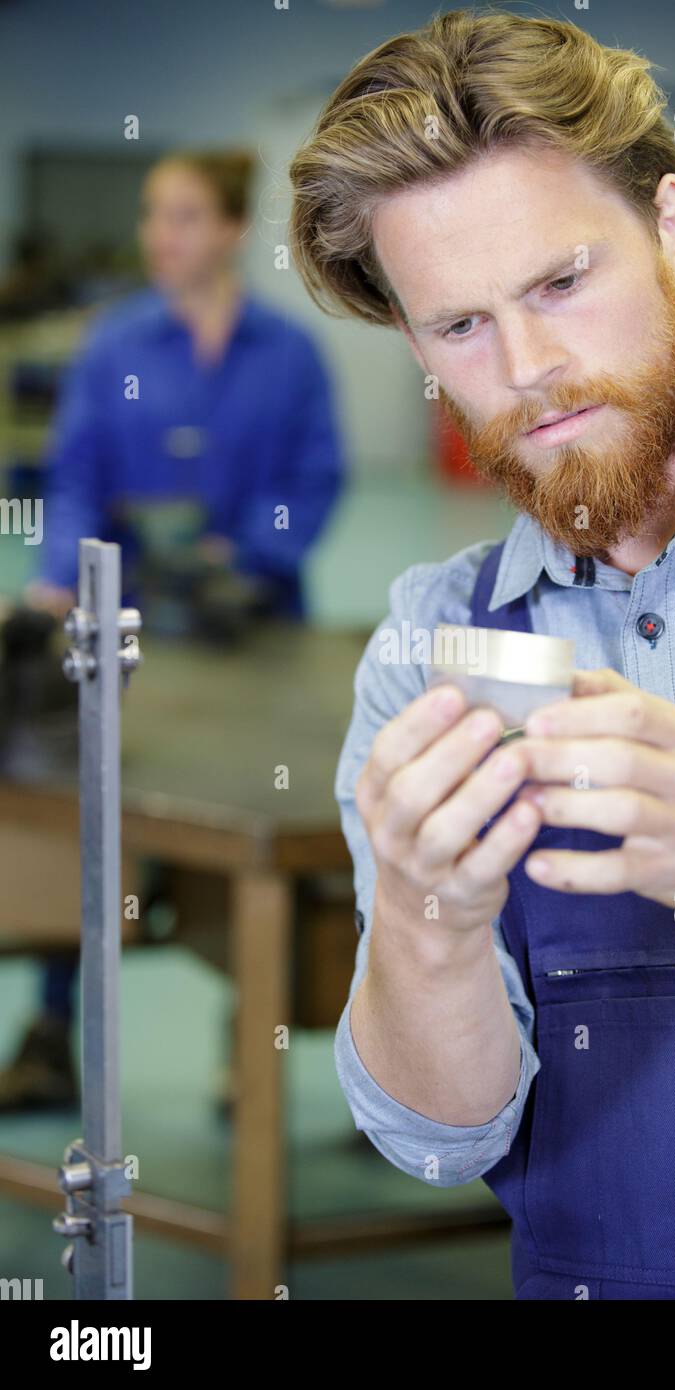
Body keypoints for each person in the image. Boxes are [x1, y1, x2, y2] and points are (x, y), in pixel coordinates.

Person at [288, 10, 675, 1300]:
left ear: (672, 228)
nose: (530, 370)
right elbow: (443, 1141)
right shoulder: (435, 651)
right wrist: (431, 928)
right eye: (459, 328)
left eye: (559, 283)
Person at [0, 149, 346, 1112]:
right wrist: (58, 581)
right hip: (130, 632)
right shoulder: (115, 349)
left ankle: (250, 1045)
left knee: (252, 833)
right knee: (93, 819)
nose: (162, 235)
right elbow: (72, 476)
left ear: (232, 230)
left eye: (185, 216)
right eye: (154, 215)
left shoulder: (288, 355)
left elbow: (316, 478)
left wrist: (252, 557)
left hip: (257, 633)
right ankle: (49, 1031)